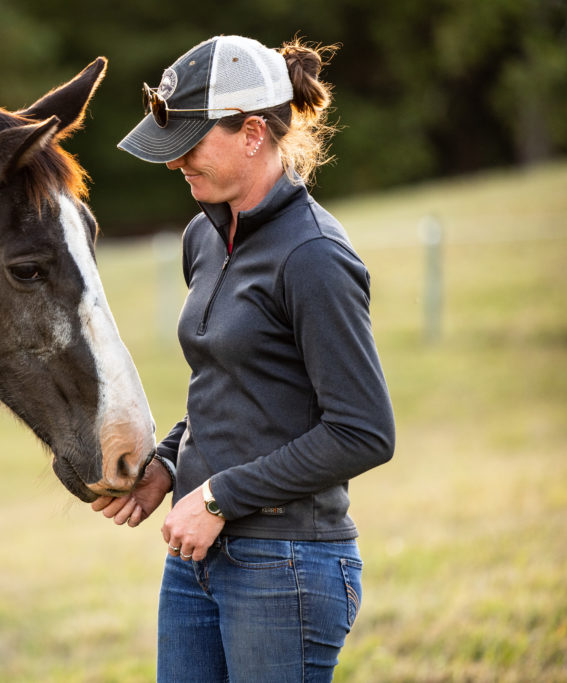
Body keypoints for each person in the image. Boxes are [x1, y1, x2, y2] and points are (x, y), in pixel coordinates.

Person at [91, 35, 396, 681]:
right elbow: (227, 387)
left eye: (191, 146)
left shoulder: (315, 257)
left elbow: (362, 431)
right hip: (195, 558)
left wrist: (220, 495)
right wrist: (170, 462)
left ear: (253, 132)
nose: (175, 165)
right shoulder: (202, 235)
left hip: (285, 566)